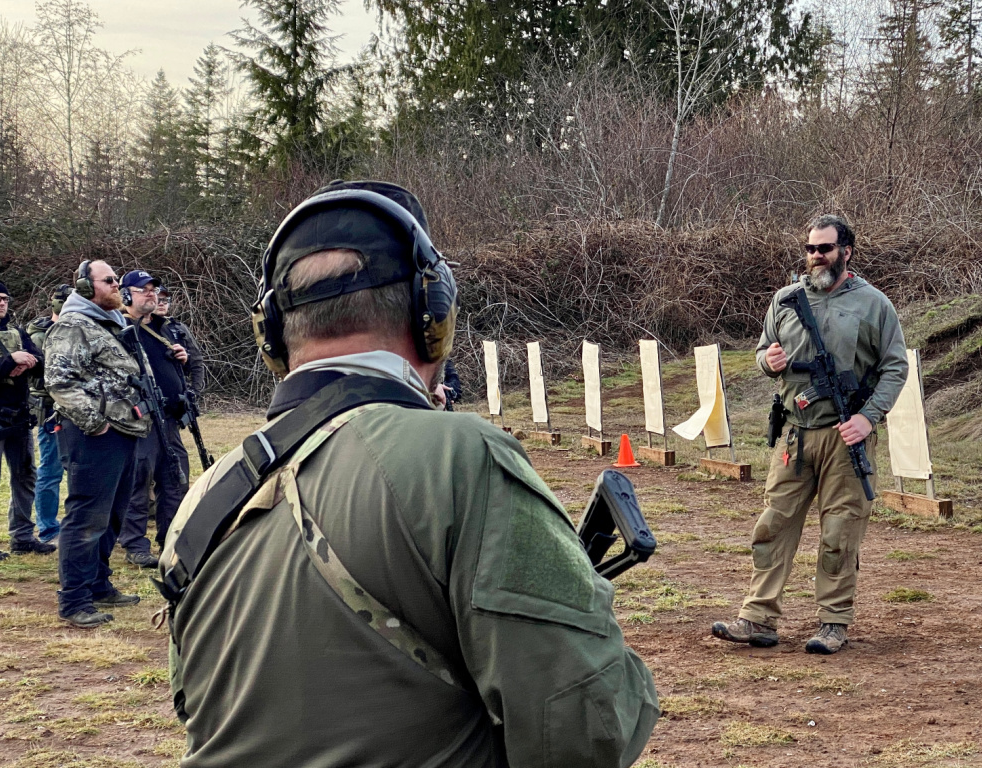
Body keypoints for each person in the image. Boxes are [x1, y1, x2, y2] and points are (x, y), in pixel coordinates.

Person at [158, 180, 657, 767]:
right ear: (433, 316)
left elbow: (198, 708)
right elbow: (588, 725)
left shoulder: (205, 499)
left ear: (270, 334)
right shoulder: (461, 455)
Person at [712, 214, 908, 655]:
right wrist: (769, 361)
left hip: (846, 436)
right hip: (795, 435)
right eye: (810, 248)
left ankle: (834, 623)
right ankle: (758, 618)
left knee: (840, 531)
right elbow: (763, 348)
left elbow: (896, 367)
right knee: (772, 525)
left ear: (846, 252)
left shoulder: (874, 305)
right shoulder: (786, 300)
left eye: (825, 248)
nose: (816, 256)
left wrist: (869, 417)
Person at [44, 260, 149, 628]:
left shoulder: (111, 323)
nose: (117, 286)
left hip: (124, 430)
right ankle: (74, 600)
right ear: (86, 287)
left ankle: (99, 585)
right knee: (87, 516)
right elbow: (59, 382)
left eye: (117, 281)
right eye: (109, 281)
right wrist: (97, 424)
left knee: (113, 514)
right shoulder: (73, 325)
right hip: (94, 435)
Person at [0, 278, 53, 562]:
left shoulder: (17, 332)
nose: (1, 303)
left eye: (5, 299)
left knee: (25, 476)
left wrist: (29, 360)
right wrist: (10, 361)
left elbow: (42, 362)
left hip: (19, 415)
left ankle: (22, 536)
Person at [117, 270, 190, 569]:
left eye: (153, 289)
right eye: (143, 289)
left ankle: (170, 541)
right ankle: (135, 544)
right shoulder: (118, 329)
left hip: (170, 420)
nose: (151, 294)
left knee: (175, 479)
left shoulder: (165, 329)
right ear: (125, 295)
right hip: (141, 419)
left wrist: (181, 360)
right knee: (138, 481)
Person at [27, 284, 73, 544]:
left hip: (75, 409)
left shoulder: (77, 330)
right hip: (50, 410)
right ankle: (47, 529)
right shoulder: (41, 334)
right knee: (51, 470)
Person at [153, 285, 205, 398]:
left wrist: (195, 393)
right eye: (158, 300)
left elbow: (197, 362)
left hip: (179, 392)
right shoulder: (138, 327)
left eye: (165, 300)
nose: (161, 303)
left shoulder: (179, 328)